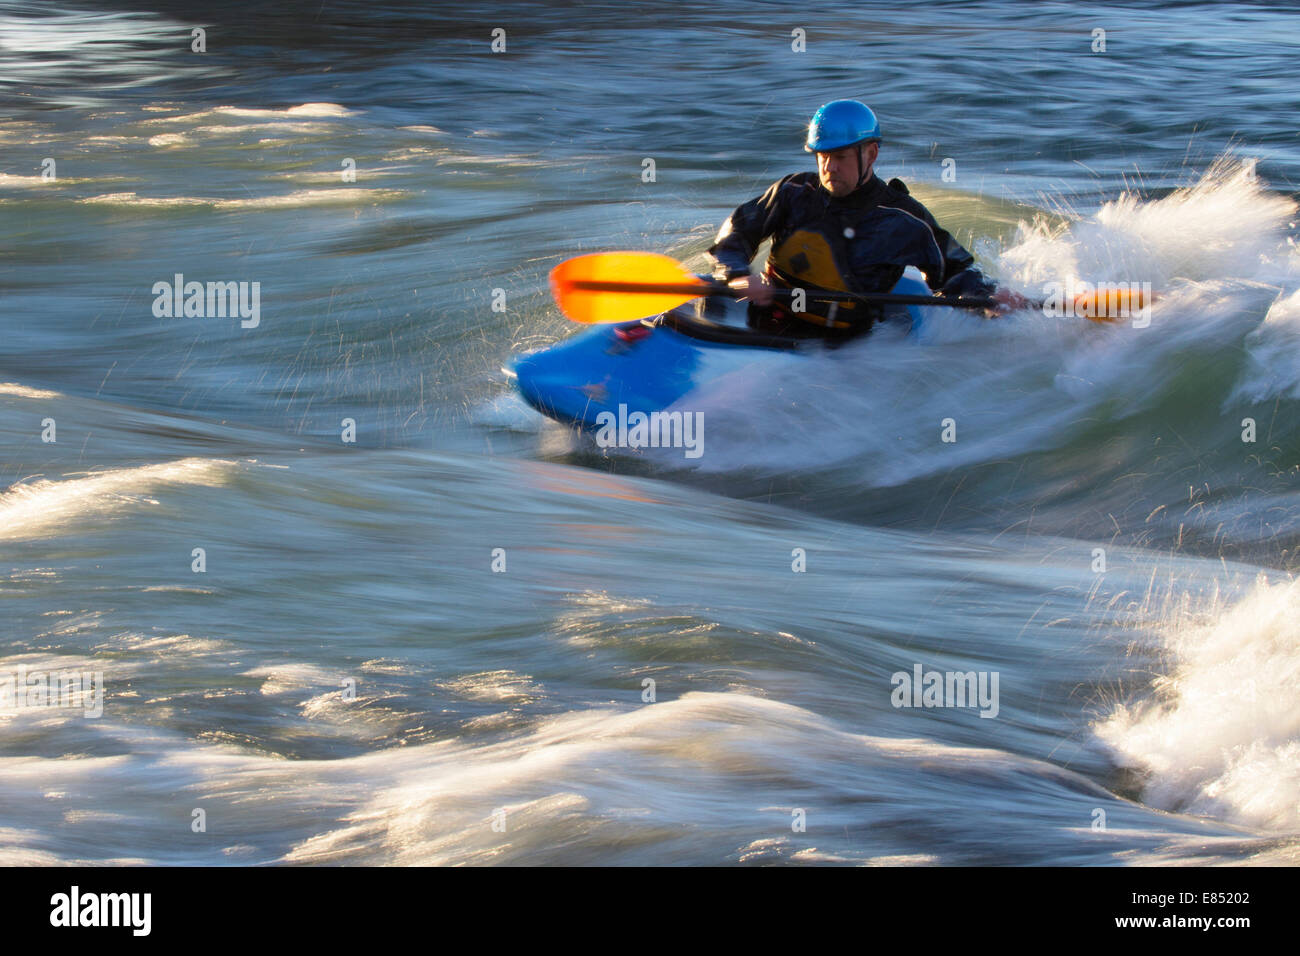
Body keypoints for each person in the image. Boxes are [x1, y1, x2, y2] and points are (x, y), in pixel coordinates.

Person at [707, 99, 1025, 337]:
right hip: (769, 320)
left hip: (845, 346)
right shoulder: (793, 191)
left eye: (840, 157)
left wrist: (990, 298)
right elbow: (736, 233)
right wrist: (737, 274)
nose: (829, 168)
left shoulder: (904, 219)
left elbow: (955, 272)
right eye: (823, 157)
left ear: (870, 154)